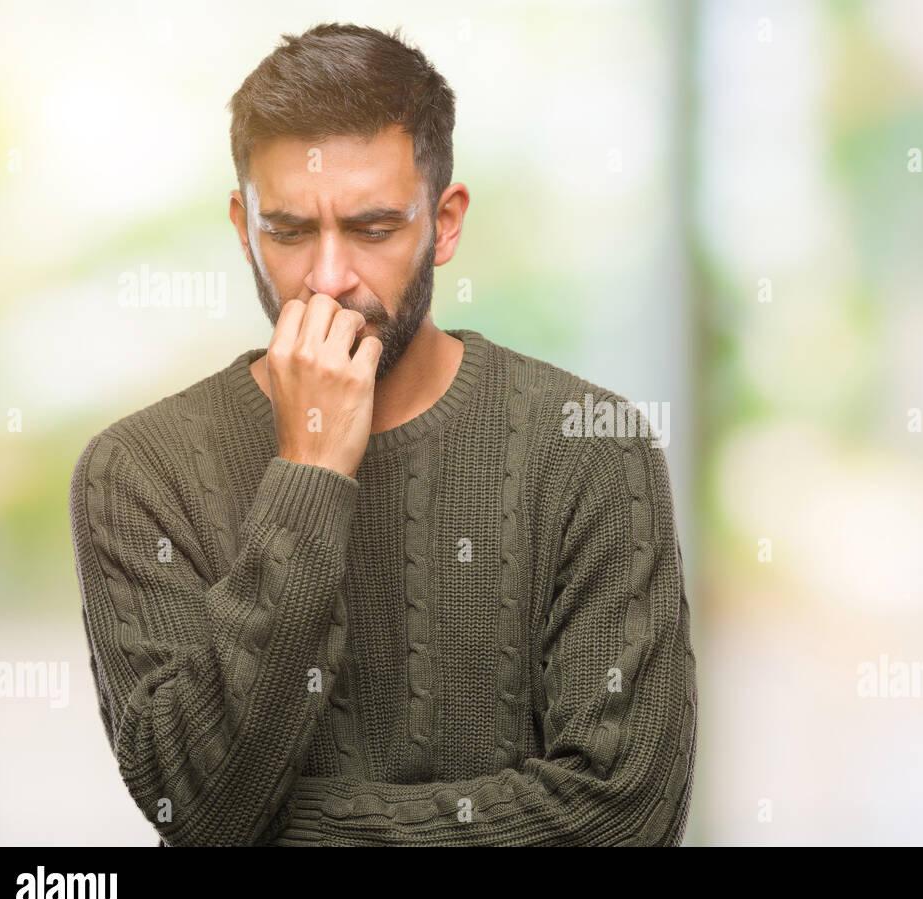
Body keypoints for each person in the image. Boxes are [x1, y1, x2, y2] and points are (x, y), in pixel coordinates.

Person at [67, 22, 696, 846]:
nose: (328, 278)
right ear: (241, 224)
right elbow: (195, 808)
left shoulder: (592, 448)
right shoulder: (137, 472)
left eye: (372, 229)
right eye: (288, 231)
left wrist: (287, 830)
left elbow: (625, 816)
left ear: (447, 221)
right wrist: (310, 472)